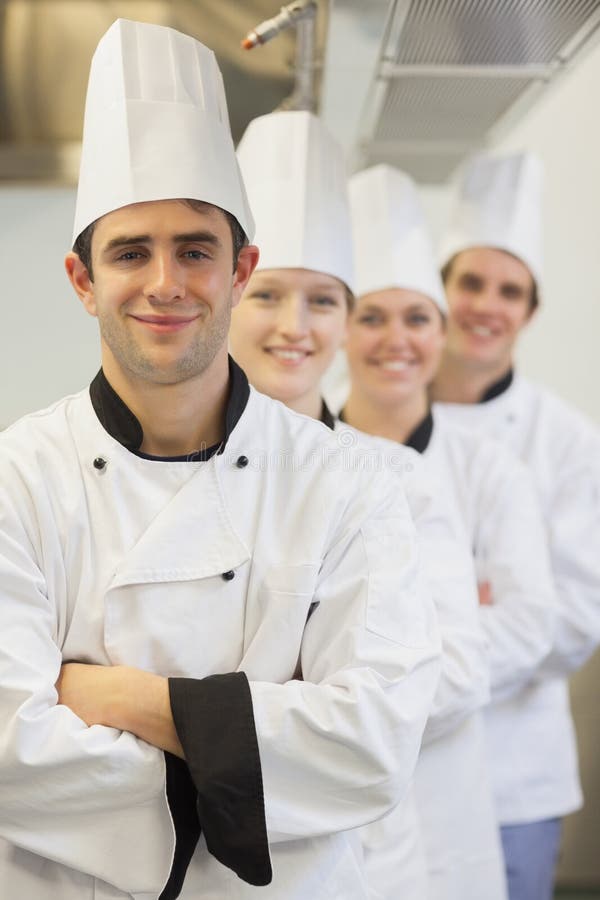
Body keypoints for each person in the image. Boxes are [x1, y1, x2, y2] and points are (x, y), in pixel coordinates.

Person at [0, 20, 442, 900]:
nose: (166, 281)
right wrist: (246, 751)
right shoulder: (18, 476)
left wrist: (114, 698)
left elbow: (373, 745)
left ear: (238, 268)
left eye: (195, 250)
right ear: (83, 280)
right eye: (130, 251)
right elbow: (8, 751)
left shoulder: (349, 482)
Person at [232, 111, 498, 899]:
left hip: (371, 849)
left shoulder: (398, 480)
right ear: (226, 300)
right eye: (269, 295)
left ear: (345, 322)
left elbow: (453, 673)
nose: (294, 326)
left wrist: (221, 700)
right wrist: (338, 675)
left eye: (322, 301)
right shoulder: (170, 469)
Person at [343, 163, 559, 900]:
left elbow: (532, 623)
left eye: (417, 318)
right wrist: (455, 626)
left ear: (441, 333)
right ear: (340, 330)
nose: (395, 339)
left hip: (464, 779)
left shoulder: (492, 468)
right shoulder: (308, 456)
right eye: (370, 316)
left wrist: (373, 678)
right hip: (340, 789)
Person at [431, 151, 600, 900]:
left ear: (529, 313)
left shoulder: (566, 440)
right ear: (439, 292)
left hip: (515, 785)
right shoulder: (359, 416)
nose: (486, 305)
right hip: (391, 773)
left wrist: (423, 636)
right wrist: (489, 603)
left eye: (510, 291)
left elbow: (570, 624)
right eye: (470, 281)